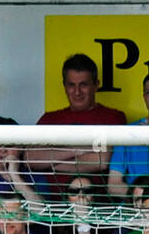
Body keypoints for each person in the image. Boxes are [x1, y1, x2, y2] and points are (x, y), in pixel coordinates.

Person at [30, 53, 125, 185]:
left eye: (83, 85)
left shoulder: (112, 117)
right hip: (50, 202)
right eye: (71, 85)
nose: (77, 92)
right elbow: (32, 159)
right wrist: (80, 149)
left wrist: (52, 163)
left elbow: (101, 160)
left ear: (96, 85)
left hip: (96, 200)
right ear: (64, 86)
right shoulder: (49, 119)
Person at [108, 74, 149, 199]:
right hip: (134, 210)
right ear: (144, 97)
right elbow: (113, 184)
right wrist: (142, 198)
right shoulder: (128, 132)